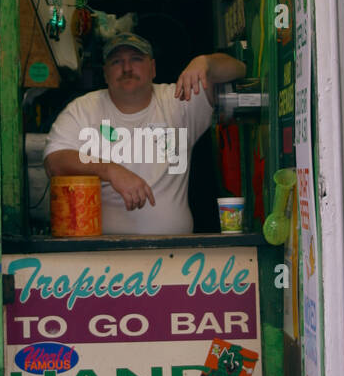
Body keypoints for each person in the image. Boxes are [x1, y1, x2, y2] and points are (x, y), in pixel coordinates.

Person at [43, 33, 246, 234]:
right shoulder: (83, 109)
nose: (127, 68)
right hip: (102, 254)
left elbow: (239, 69)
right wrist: (110, 170)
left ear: (153, 68)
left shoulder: (179, 100)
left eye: (136, 59)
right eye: (116, 62)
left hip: (175, 253)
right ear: (105, 74)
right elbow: (54, 162)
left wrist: (205, 62)